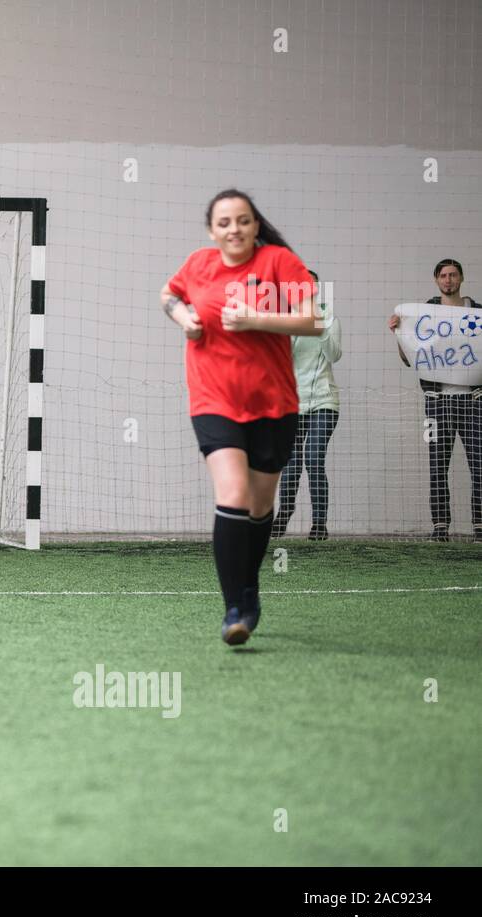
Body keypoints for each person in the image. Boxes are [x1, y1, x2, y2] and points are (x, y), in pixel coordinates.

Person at [160, 189, 320, 645]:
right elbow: (167, 295)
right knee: (232, 493)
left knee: (259, 505)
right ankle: (235, 608)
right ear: (212, 230)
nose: (234, 229)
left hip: (273, 404)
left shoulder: (279, 264)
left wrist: (256, 319)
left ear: (254, 225)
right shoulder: (198, 265)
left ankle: (249, 589)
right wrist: (184, 316)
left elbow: (312, 320)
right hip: (213, 399)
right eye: (225, 222)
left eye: (243, 221)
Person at [387, 259, 481, 542]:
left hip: (473, 403)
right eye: (443, 275)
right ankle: (440, 526)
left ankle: (480, 526)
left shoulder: (476, 313)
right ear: (436, 280)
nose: (448, 280)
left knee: (478, 464)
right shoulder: (424, 315)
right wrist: (399, 334)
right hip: (436, 403)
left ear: (461, 278)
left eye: (453, 275)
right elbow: (409, 359)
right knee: (437, 463)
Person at [273, 270, 341, 540]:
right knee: (290, 464)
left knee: (314, 459)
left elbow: (334, 354)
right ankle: (284, 515)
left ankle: (319, 525)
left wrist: (319, 325)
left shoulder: (329, 318)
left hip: (324, 402)